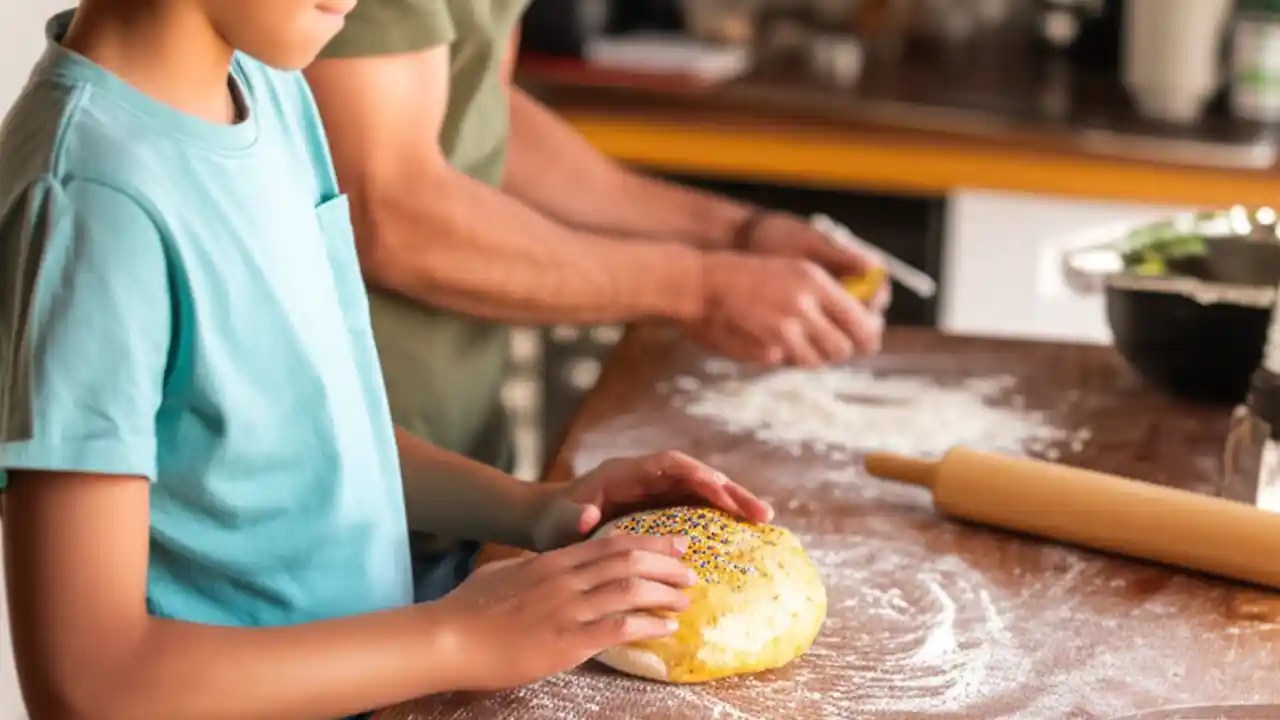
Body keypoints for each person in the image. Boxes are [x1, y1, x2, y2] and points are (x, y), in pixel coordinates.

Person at [0, 2, 773, 718]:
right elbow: (91, 680)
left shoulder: (271, 90)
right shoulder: (93, 206)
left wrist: (534, 508)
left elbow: (315, 434)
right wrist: (457, 639)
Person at [305, 0, 891, 477]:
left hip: (456, 456)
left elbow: (474, 105)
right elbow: (390, 213)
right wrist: (698, 286)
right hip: (347, 470)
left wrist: (735, 234)